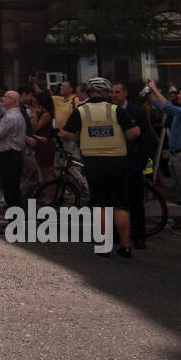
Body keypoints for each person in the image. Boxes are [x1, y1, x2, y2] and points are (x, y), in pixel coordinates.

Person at [61, 77, 140, 258]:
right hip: (117, 161)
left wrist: (81, 138)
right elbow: (135, 132)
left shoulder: (81, 111)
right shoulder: (116, 110)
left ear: (89, 92)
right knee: (119, 205)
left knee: (100, 205)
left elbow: (65, 132)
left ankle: (105, 245)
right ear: (107, 92)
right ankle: (126, 245)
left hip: (94, 162)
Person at [145, 79, 181, 233]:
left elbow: (167, 106)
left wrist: (156, 89)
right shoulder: (178, 112)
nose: (178, 95)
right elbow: (161, 106)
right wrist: (149, 94)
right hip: (175, 155)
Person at [112, 81, 157, 250]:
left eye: (117, 92)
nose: (113, 95)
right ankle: (117, 234)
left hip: (132, 161)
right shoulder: (109, 111)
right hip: (115, 160)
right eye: (112, 92)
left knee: (136, 201)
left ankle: (138, 236)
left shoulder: (136, 112)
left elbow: (147, 138)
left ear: (125, 93)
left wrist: (141, 161)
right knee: (116, 201)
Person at [0, 91, 27, 210]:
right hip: (13, 155)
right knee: (13, 190)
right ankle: (15, 222)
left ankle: (14, 223)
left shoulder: (10, 118)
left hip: (8, 156)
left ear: (13, 100)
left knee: (10, 191)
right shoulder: (16, 115)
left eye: (6, 97)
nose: (2, 98)